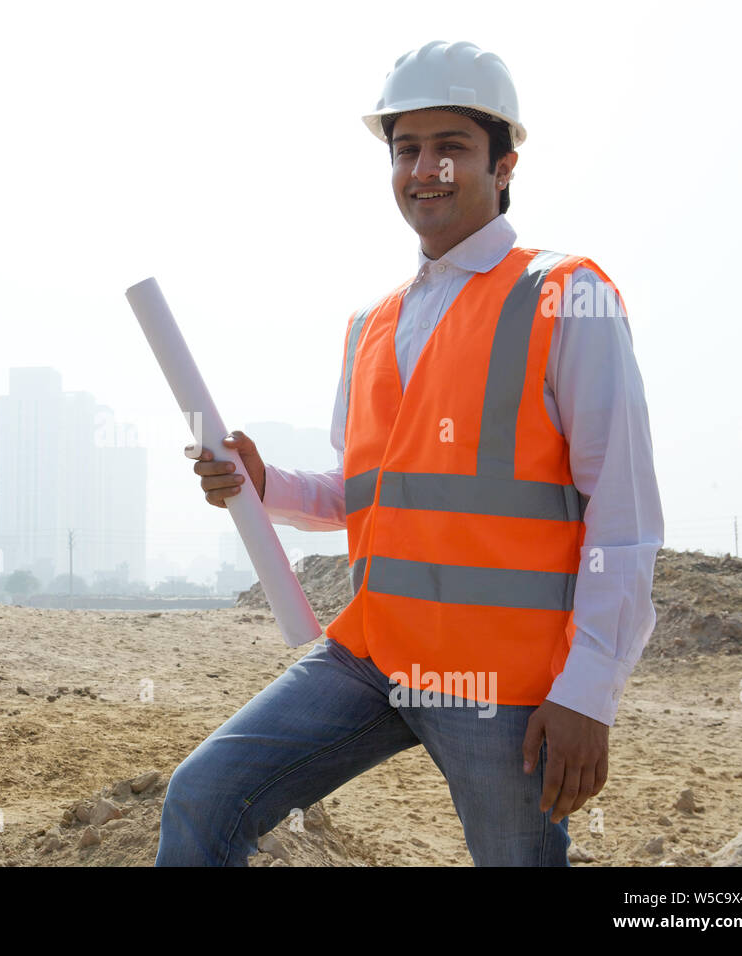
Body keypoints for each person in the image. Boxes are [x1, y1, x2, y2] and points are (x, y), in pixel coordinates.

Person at [155, 40, 664, 867]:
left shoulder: (568, 296)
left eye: (451, 147)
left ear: (504, 164)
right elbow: (362, 492)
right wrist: (261, 481)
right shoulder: (371, 325)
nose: (425, 168)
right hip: (371, 656)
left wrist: (589, 693)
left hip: (500, 686)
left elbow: (626, 518)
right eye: (407, 150)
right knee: (204, 798)